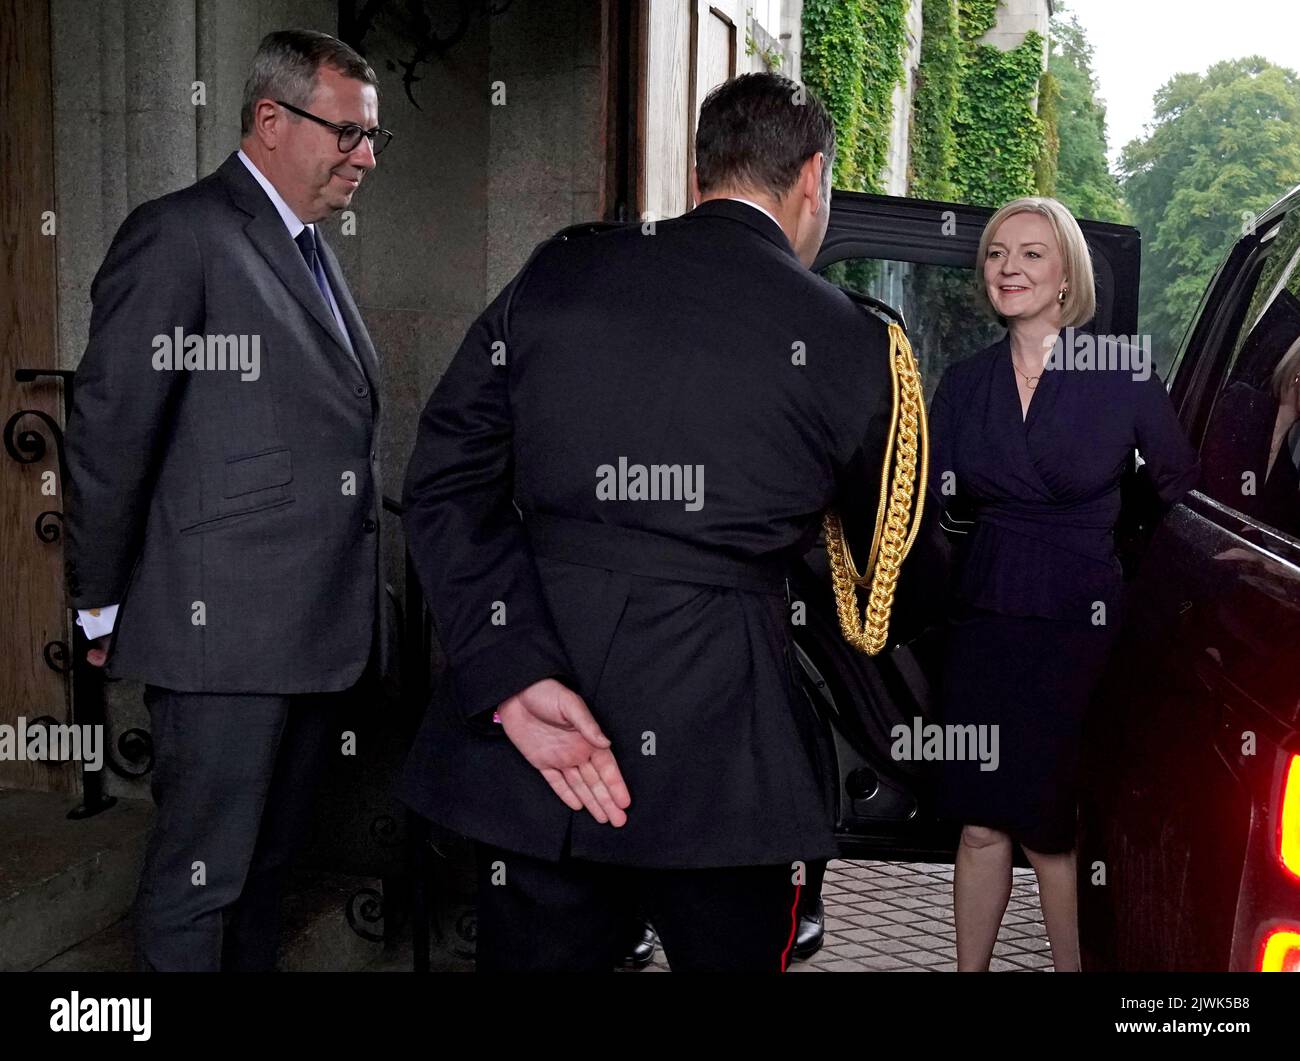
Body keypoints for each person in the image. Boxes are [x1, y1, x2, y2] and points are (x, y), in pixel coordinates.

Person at [396, 72, 893, 972]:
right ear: (813, 178)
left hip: (537, 749)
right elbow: (886, 565)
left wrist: (511, 674)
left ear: (695, 168)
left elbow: (442, 483)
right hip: (729, 760)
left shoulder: (562, 268)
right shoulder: (852, 337)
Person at [63, 29, 394, 971]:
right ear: (269, 120)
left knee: (266, 871)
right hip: (222, 638)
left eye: (372, 138)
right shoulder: (180, 233)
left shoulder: (307, 248)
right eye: (348, 134)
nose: (365, 157)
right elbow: (111, 423)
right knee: (199, 882)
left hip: (312, 634)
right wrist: (98, 596)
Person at [926, 196, 1199, 971]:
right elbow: (927, 499)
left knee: (1051, 827)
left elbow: (1181, 490)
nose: (1009, 267)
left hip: (1078, 623)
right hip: (985, 614)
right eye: (995, 254)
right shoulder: (965, 382)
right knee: (979, 822)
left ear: (1065, 276)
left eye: (1031, 254)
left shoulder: (1121, 371)